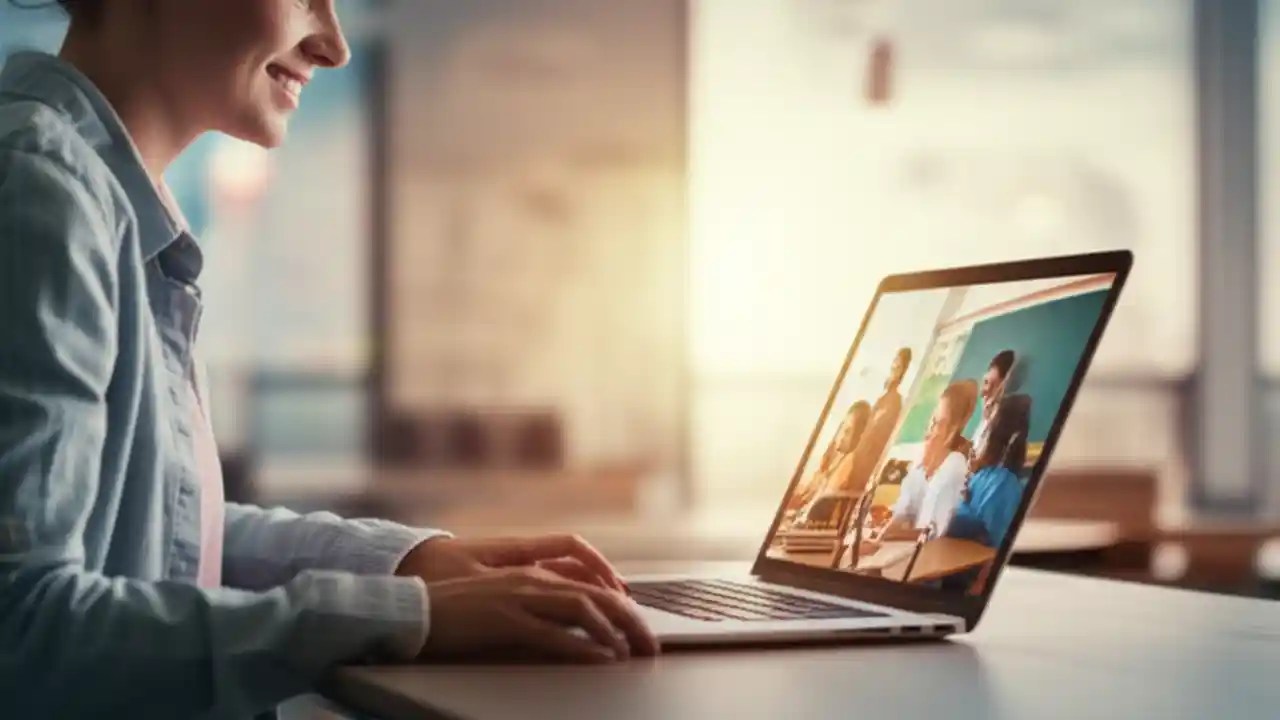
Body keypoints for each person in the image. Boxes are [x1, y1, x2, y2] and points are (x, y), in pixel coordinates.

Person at [0, 2, 656, 717]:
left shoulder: (99, 196)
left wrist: (407, 566)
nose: (334, 45)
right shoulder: (41, 192)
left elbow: (165, 532)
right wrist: (403, 617)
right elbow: (22, 626)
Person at [856, 380, 977, 555]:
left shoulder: (954, 467)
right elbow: (904, 511)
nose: (929, 430)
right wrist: (878, 540)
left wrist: (885, 541)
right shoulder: (924, 461)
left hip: (925, 557)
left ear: (952, 430)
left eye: (937, 423)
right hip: (905, 550)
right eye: (931, 421)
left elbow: (930, 534)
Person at [948, 394, 1031, 550]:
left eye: (989, 429)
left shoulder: (1003, 484)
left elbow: (983, 535)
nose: (983, 435)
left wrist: (961, 502)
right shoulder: (984, 474)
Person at [835, 347, 912, 494]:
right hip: (857, 459)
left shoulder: (894, 402)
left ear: (903, 372)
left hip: (865, 465)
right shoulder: (883, 396)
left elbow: (876, 436)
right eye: (894, 361)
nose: (894, 367)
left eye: (899, 366)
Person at [788, 401, 870, 512]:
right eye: (842, 428)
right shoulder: (836, 459)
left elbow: (818, 505)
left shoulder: (848, 462)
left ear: (859, 435)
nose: (841, 435)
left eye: (848, 431)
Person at [973, 350, 1016, 460]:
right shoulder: (983, 424)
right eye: (986, 382)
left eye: (994, 386)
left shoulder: (1004, 430)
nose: (983, 391)